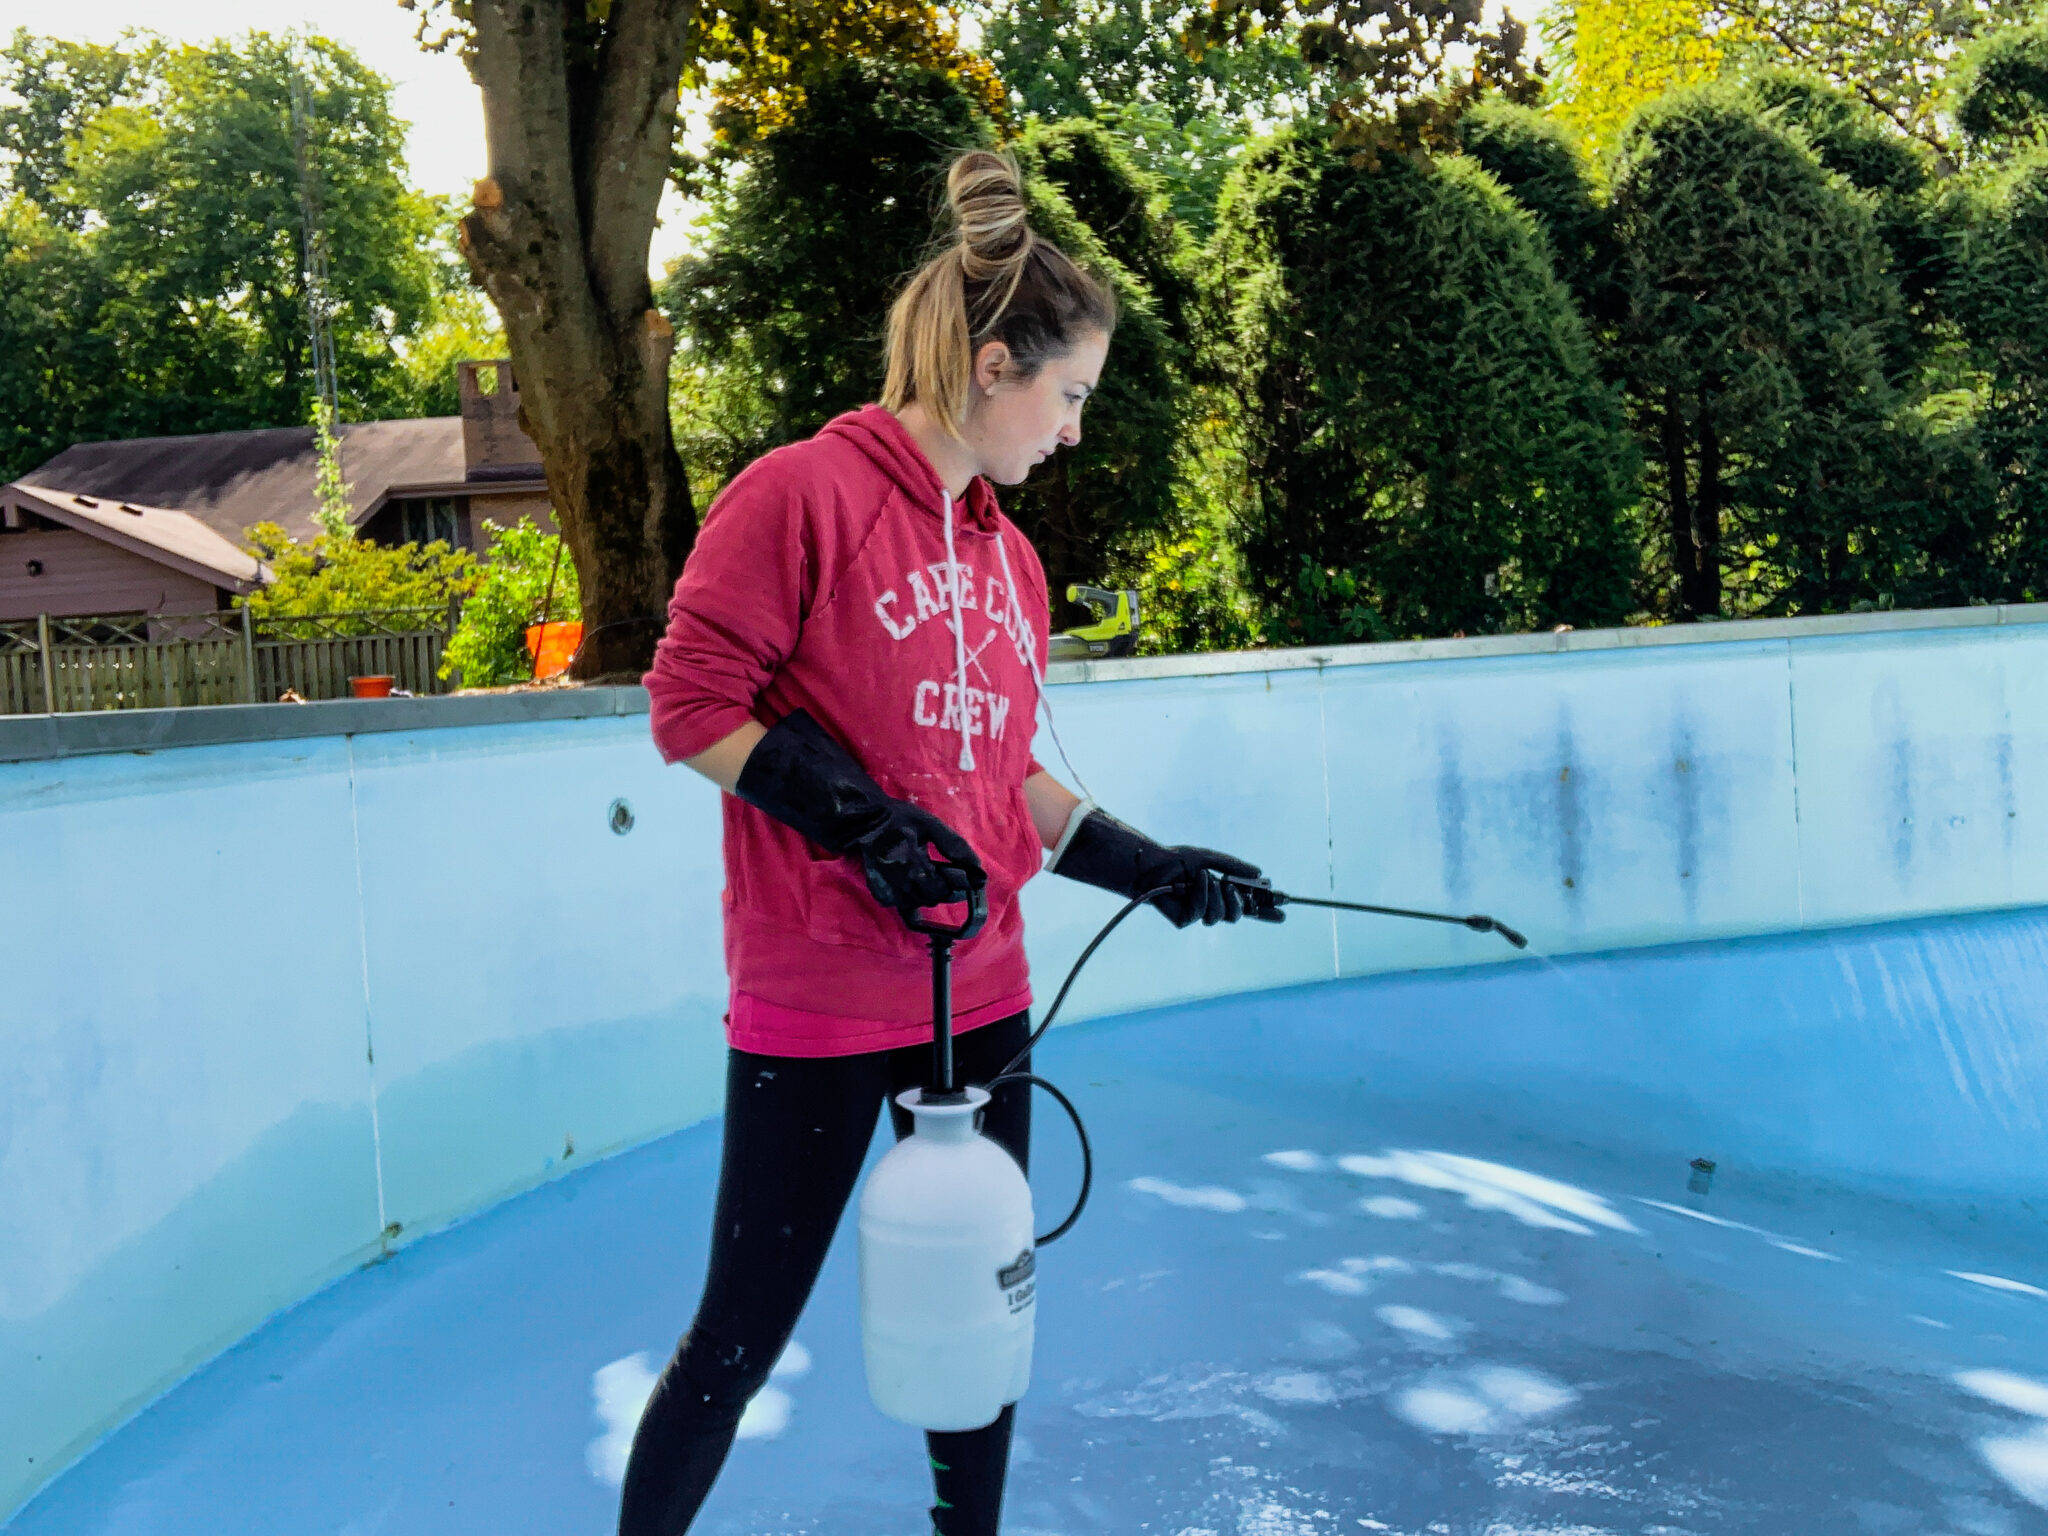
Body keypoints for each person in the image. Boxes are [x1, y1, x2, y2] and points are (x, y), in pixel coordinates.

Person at [622, 148, 1280, 1536]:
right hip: (815, 1004)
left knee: (983, 1322)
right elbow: (689, 706)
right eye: (1072, 394)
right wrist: (856, 823)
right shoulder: (800, 495)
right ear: (994, 365)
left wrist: (1147, 864)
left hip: (983, 1002)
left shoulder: (1008, 559)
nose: (1076, 430)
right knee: (738, 1341)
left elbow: (1004, 780)